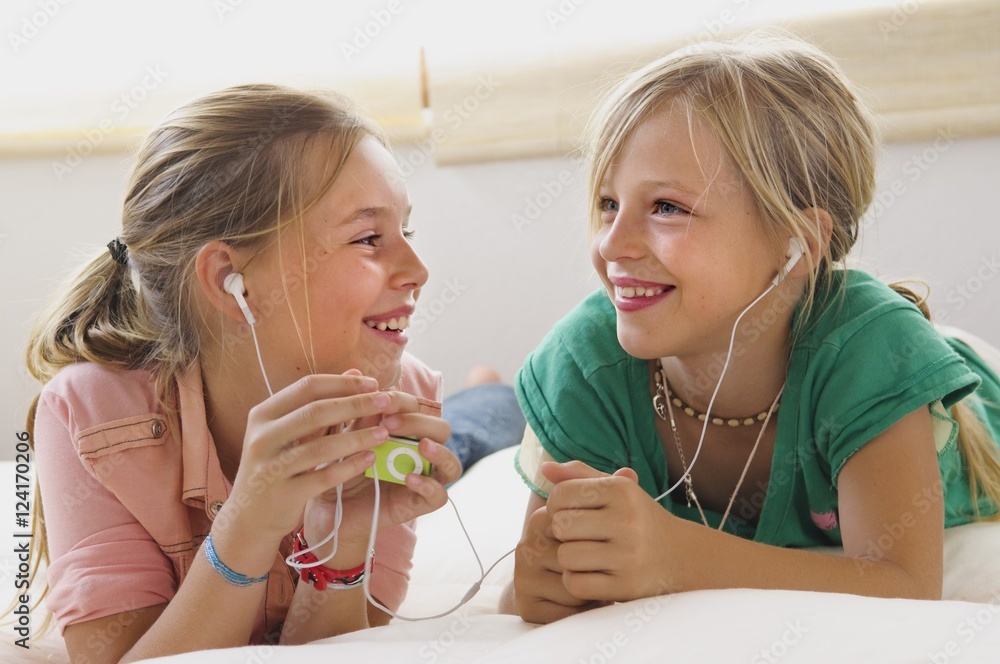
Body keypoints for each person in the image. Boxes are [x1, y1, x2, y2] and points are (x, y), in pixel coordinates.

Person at [501, 32, 1000, 624]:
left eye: (667, 207)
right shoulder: (585, 361)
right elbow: (524, 595)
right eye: (609, 203)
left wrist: (679, 556)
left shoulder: (871, 353)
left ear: (798, 244)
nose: (611, 243)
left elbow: (903, 586)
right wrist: (539, 586)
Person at [21, 83, 463, 661]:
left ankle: (485, 392)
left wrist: (344, 543)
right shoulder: (90, 417)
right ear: (231, 278)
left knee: (482, 420)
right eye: (367, 238)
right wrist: (248, 524)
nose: (419, 270)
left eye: (406, 231)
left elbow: (335, 650)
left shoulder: (406, 396)